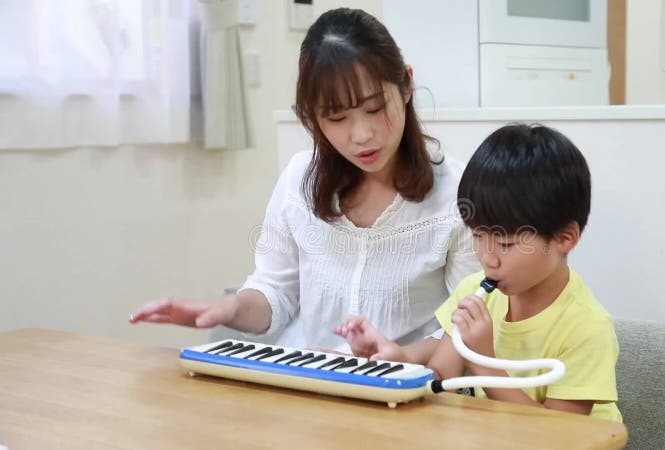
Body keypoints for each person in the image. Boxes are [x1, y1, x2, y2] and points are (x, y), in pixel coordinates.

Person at [129, 8, 479, 352]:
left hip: (401, 387)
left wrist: (401, 358)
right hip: (304, 379)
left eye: (374, 109)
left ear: (406, 85)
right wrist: (229, 309)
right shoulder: (300, 179)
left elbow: (465, 325)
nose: (361, 135)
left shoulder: (457, 194)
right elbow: (275, 293)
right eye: (337, 118)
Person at [335, 124, 623, 422]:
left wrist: (484, 362)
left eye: (505, 244)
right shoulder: (475, 291)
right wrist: (397, 359)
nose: (487, 257)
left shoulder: (587, 327)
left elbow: (561, 435)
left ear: (564, 238)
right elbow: (442, 379)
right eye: (477, 236)